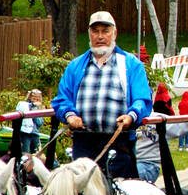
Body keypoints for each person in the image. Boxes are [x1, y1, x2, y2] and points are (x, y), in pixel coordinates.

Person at [52, 10, 152, 179]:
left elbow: (142, 99)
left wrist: (130, 116)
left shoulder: (131, 64)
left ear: (114, 33)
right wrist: (70, 116)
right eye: (95, 31)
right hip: (84, 144)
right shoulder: (75, 66)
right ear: (89, 34)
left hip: (118, 143)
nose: (100, 36)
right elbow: (62, 99)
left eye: (105, 31)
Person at [15, 89, 44, 154]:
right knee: (25, 153)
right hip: (25, 133)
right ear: (30, 97)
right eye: (34, 98)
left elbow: (39, 123)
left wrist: (35, 112)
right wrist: (33, 107)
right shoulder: (24, 104)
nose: (36, 100)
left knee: (37, 153)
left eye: (38, 98)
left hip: (35, 133)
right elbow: (22, 109)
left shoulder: (38, 108)